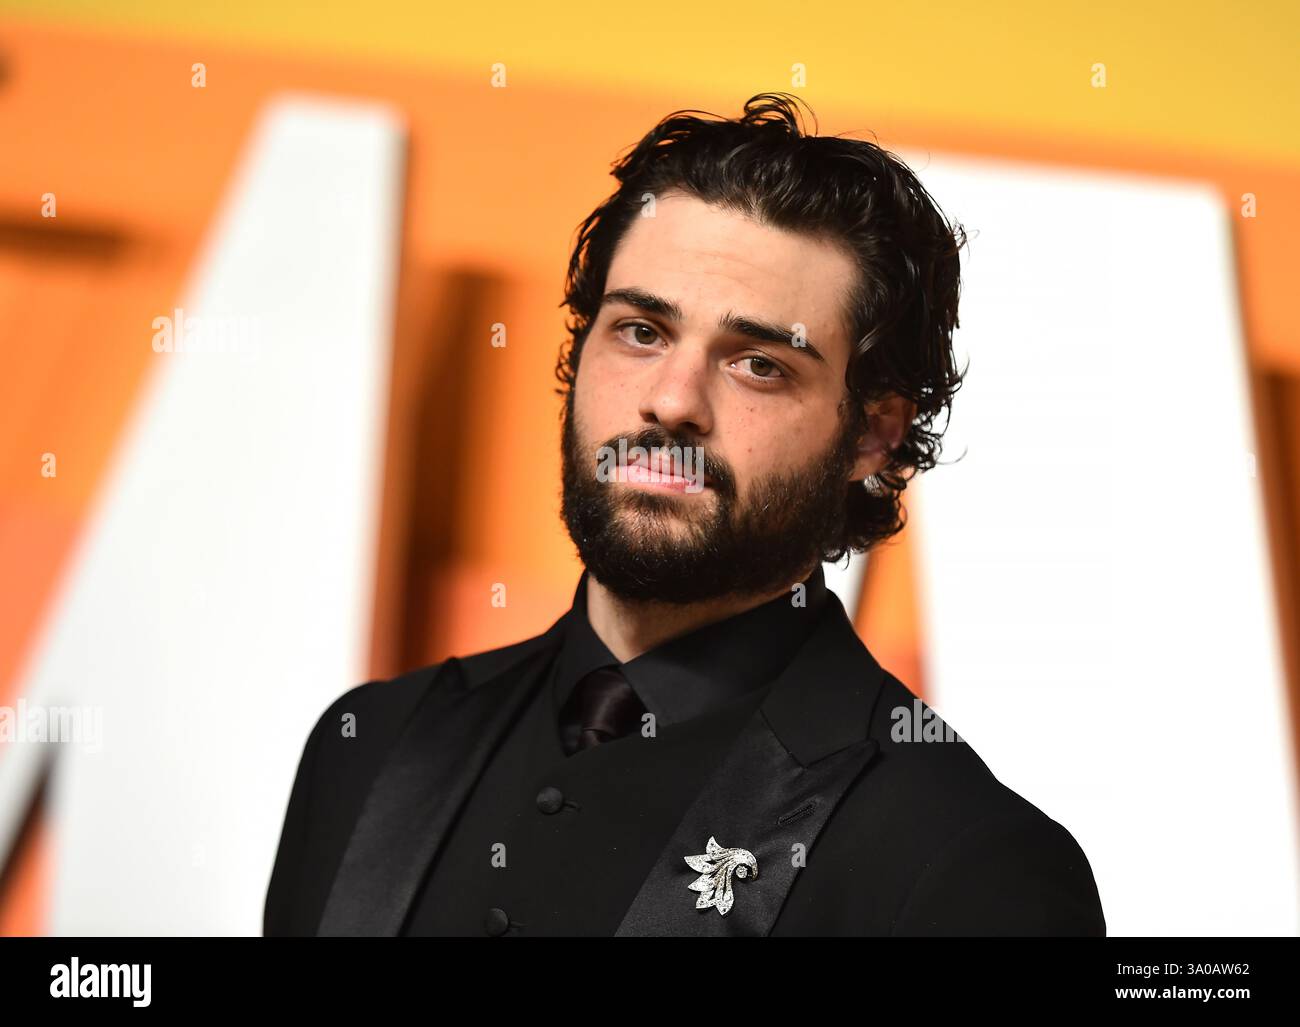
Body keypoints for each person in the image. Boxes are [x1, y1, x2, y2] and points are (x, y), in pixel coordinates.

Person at [264, 92, 1105, 936]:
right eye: (640, 331)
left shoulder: (967, 862)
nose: (671, 402)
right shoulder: (368, 746)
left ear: (874, 434)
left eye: (757, 364)